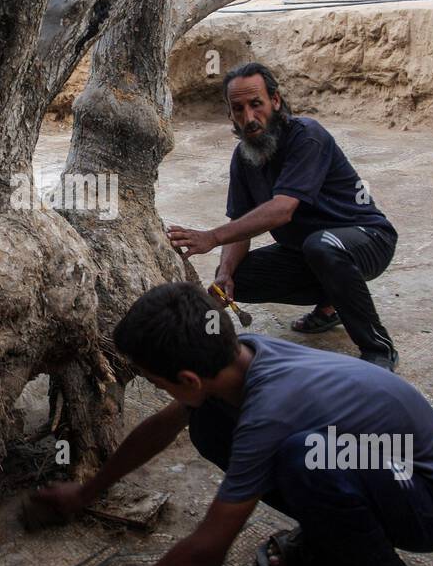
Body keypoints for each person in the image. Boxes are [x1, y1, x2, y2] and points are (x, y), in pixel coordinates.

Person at [29, 283, 433, 566]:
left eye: (155, 381)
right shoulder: (240, 356)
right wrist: (87, 491)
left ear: (186, 379)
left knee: (304, 458)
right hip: (376, 472)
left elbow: (207, 551)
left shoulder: (269, 409)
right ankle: (331, 537)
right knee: (211, 424)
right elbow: (161, 427)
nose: (159, 389)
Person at [166, 62, 399, 369]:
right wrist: (225, 273)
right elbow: (242, 226)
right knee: (241, 277)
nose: (248, 118)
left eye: (256, 104)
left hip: (368, 240)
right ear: (230, 114)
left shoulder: (307, 136)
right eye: (238, 109)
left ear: (275, 101)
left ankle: (378, 348)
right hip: (310, 252)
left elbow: (282, 209)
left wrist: (211, 237)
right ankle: (334, 305)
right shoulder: (243, 157)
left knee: (322, 246)